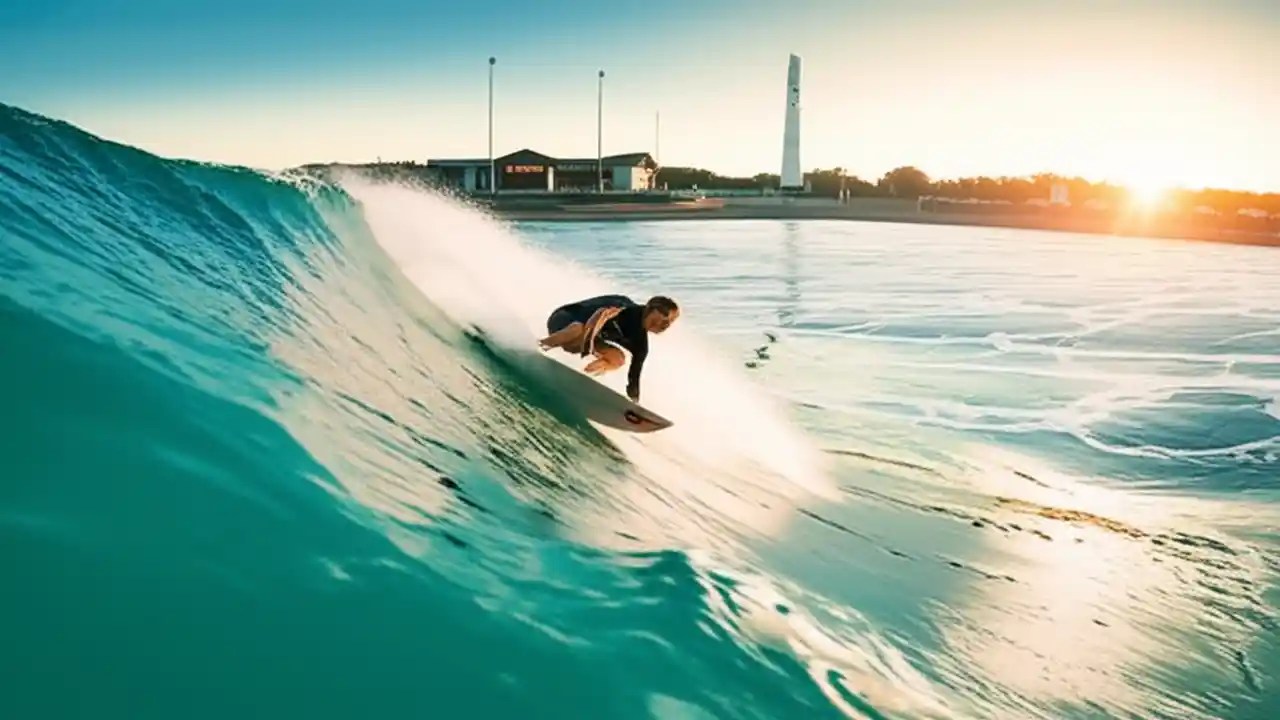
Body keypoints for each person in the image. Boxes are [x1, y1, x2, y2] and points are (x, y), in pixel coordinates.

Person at [538, 294, 680, 402]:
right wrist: (589, 342)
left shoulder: (640, 344)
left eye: (667, 324)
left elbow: (634, 377)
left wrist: (635, 403)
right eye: (659, 320)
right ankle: (540, 346)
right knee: (579, 328)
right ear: (649, 310)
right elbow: (600, 315)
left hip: (581, 342)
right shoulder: (622, 306)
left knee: (618, 359)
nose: (662, 326)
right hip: (562, 321)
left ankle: (582, 377)